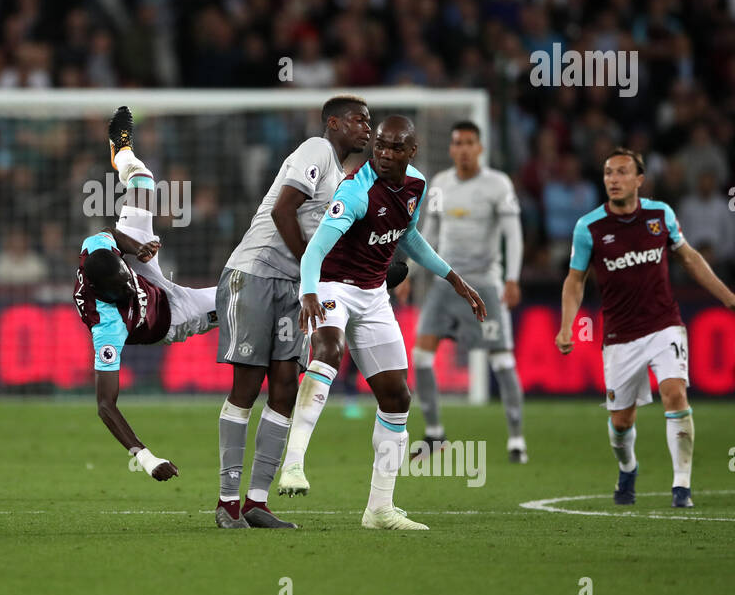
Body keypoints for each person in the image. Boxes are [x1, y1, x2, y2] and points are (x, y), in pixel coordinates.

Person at [294, 117, 485, 530]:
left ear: (411, 151)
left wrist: (453, 277)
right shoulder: (356, 191)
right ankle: (294, 463)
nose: (384, 154)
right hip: (331, 286)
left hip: (373, 293)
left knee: (398, 398)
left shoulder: (416, 184)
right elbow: (313, 253)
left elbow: (409, 236)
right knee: (328, 351)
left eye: (396, 148)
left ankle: (379, 509)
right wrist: (308, 293)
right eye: (380, 145)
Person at [556, 148, 735, 508]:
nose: (613, 180)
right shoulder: (589, 227)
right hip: (619, 335)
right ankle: (628, 467)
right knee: (621, 421)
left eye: (621, 172)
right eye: (607, 173)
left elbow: (690, 258)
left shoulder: (660, 215)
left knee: (675, 393)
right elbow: (575, 281)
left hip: (664, 325)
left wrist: (728, 297)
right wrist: (567, 325)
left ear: (639, 179)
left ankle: (681, 485)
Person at [215, 94, 371, 529]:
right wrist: (312, 276)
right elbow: (284, 209)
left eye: (369, 121)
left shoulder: (343, 177)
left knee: (285, 386)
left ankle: (256, 502)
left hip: (292, 286)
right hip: (256, 272)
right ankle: (227, 503)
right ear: (334, 123)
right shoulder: (315, 150)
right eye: (359, 120)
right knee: (247, 385)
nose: (367, 128)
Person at [75, 107, 218, 483]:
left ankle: (120, 148)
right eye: (121, 286)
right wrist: (145, 456)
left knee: (142, 180)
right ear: (108, 294)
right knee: (246, 298)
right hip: (171, 315)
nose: (127, 285)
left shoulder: (97, 250)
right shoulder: (106, 326)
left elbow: (109, 231)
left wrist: (133, 254)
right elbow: (105, 405)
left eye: (124, 278)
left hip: (143, 269)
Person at [395, 121, 529, 463]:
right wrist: (408, 270)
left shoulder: (498, 184)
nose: (464, 149)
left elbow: (513, 234)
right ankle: (435, 434)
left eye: (470, 142)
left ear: (480, 148)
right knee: (422, 356)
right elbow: (429, 233)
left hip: (484, 283)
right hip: (446, 283)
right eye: (458, 143)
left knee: (502, 358)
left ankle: (516, 439)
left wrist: (512, 278)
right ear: (451, 148)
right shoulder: (439, 184)